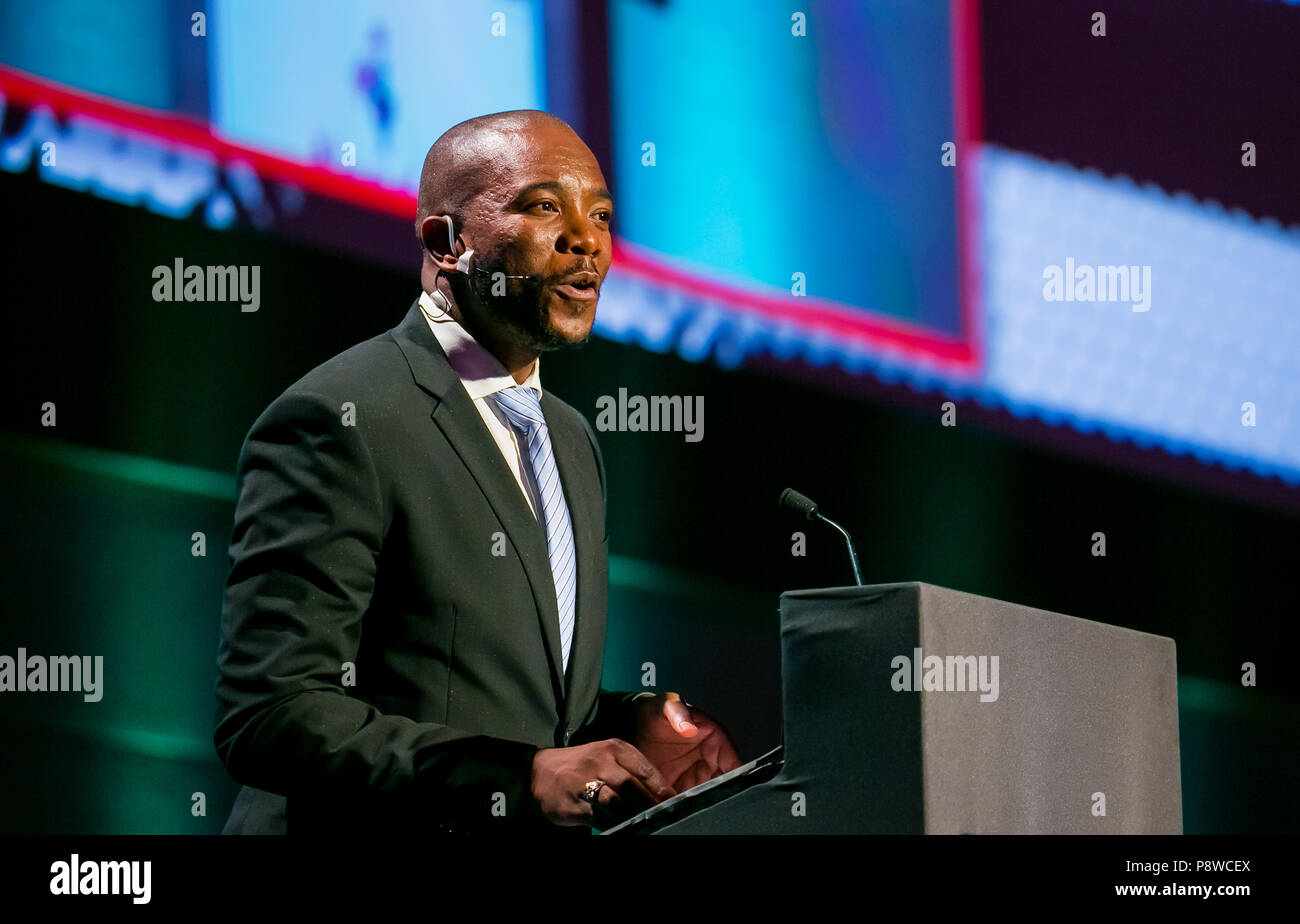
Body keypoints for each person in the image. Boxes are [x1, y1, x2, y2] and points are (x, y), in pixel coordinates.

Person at [214, 110, 740, 834]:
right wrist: (514, 779)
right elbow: (270, 715)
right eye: (545, 206)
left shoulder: (572, 441)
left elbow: (507, 696)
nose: (587, 240)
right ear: (446, 241)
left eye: (602, 215)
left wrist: (626, 725)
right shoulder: (340, 417)